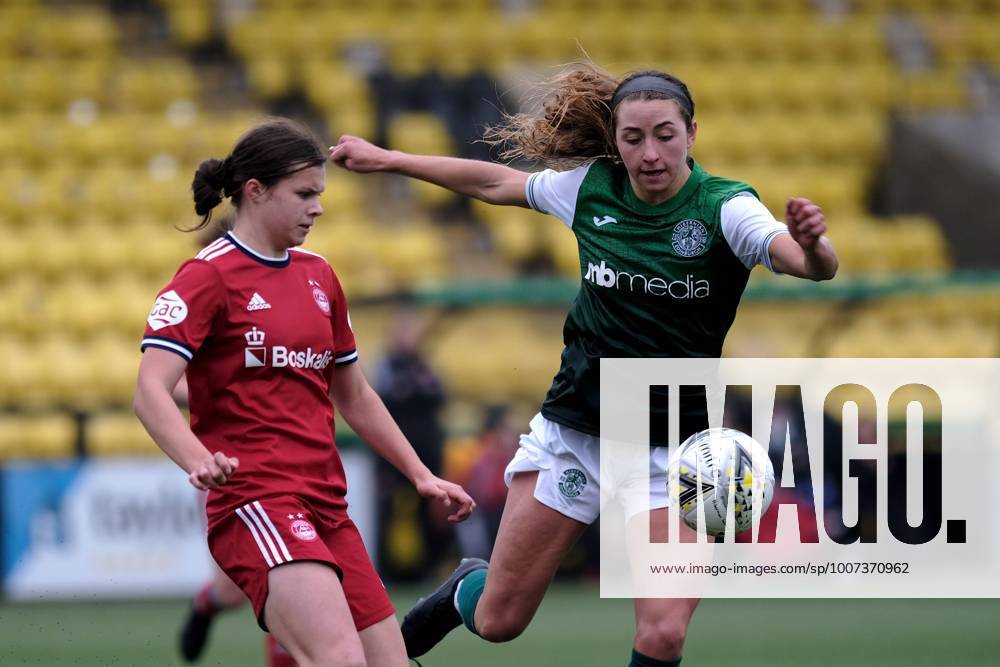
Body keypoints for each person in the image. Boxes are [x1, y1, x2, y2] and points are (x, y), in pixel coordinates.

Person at [330, 64, 838, 667]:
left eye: (665, 135)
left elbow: (812, 266)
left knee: (663, 633)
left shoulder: (727, 209)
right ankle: (464, 588)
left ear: (692, 133)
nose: (650, 153)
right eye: (633, 138)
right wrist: (389, 160)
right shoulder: (591, 189)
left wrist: (812, 244)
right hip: (575, 437)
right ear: (616, 140)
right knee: (498, 621)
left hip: (672, 453)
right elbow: (495, 184)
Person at [134, 117, 475, 667]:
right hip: (258, 500)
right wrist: (196, 459)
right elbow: (151, 390)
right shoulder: (206, 277)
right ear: (255, 191)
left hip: (327, 505)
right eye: (305, 194)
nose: (317, 207)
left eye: (320, 193)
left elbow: (356, 395)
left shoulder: (319, 276)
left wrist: (421, 475)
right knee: (337, 659)